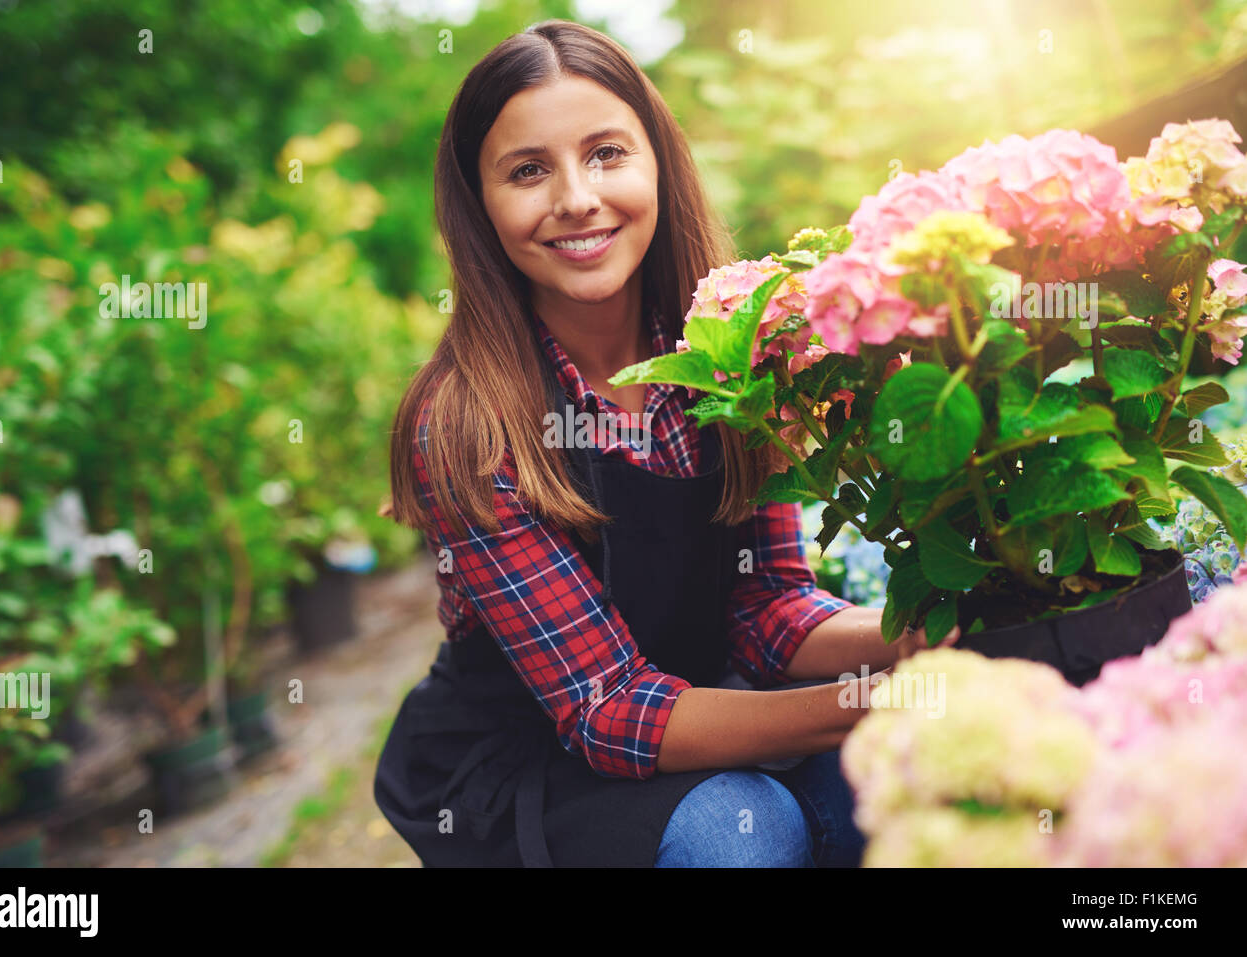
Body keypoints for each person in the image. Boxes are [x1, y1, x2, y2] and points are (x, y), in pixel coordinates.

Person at [373, 19, 956, 868]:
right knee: (743, 828)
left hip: (696, 703)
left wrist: (923, 631)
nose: (576, 197)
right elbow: (607, 708)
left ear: (658, 164)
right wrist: (880, 695)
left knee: (892, 777)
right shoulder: (465, 426)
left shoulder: (732, 358)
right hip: (535, 754)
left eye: (607, 152)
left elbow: (771, 612)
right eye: (528, 170)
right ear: (479, 202)